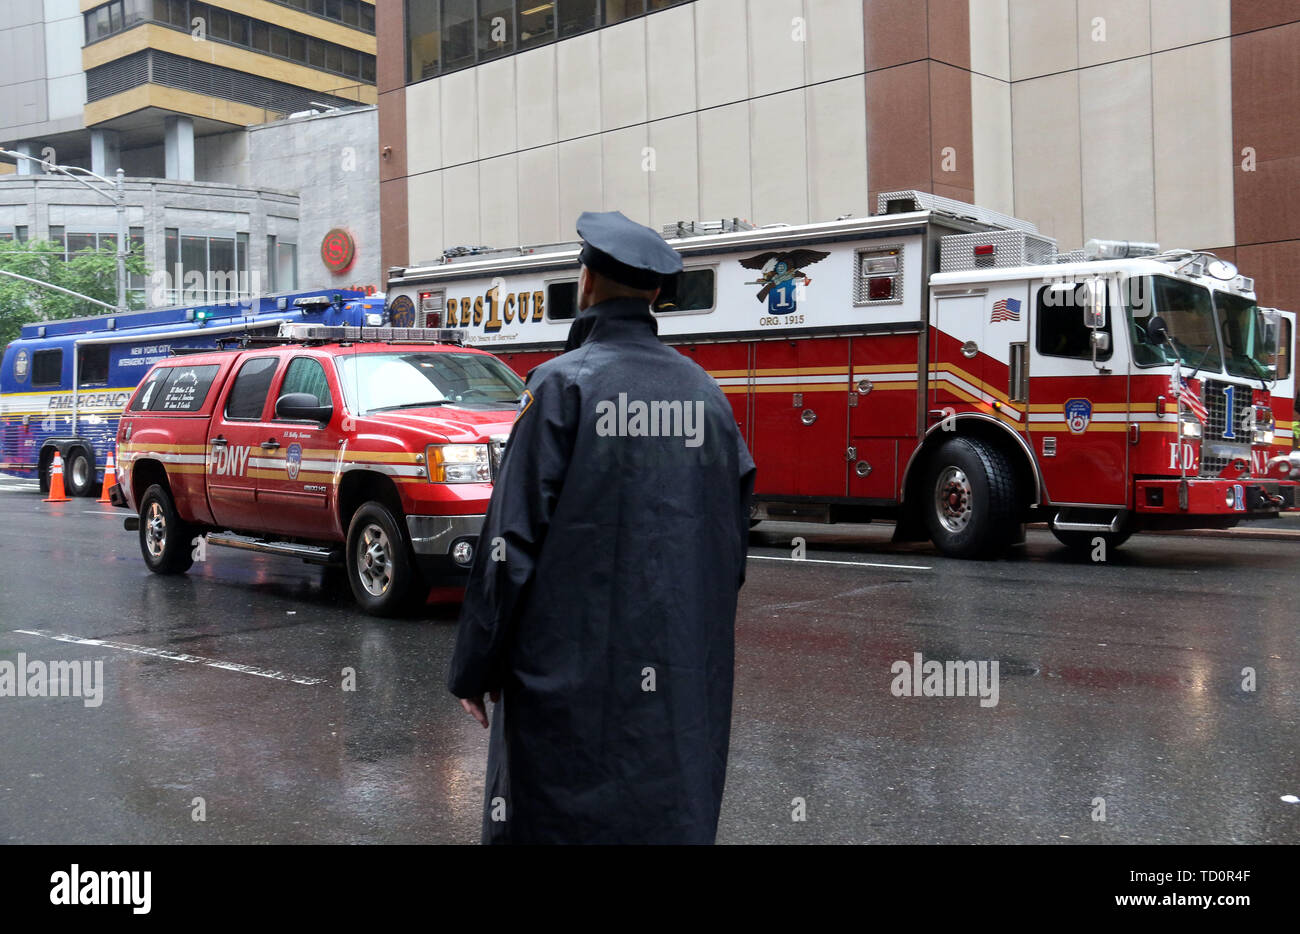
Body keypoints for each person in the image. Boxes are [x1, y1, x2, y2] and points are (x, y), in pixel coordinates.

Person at [447, 210, 756, 844]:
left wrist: (474, 665)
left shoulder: (561, 387)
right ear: (656, 295)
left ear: (586, 282)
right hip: (678, 677)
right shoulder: (705, 394)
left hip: (567, 679)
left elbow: (510, 542)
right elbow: (729, 547)